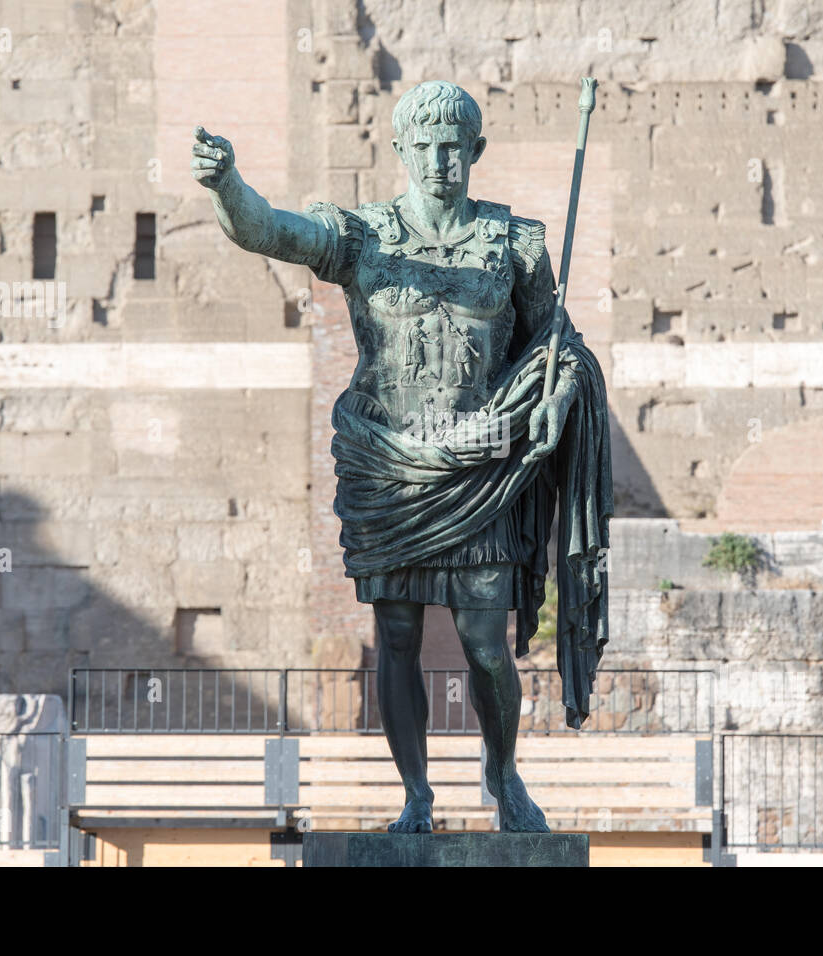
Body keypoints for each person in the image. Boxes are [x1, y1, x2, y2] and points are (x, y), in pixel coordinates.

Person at [192, 80, 611, 833]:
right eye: (426, 147)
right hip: (388, 463)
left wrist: (556, 400)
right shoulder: (361, 237)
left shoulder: (517, 245)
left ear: (475, 152)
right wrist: (228, 185)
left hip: (481, 467)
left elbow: (560, 347)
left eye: (455, 146)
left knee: (485, 641)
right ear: (402, 152)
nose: (441, 160)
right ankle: (416, 794)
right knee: (398, 632)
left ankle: (502, 775)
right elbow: (269, 231)